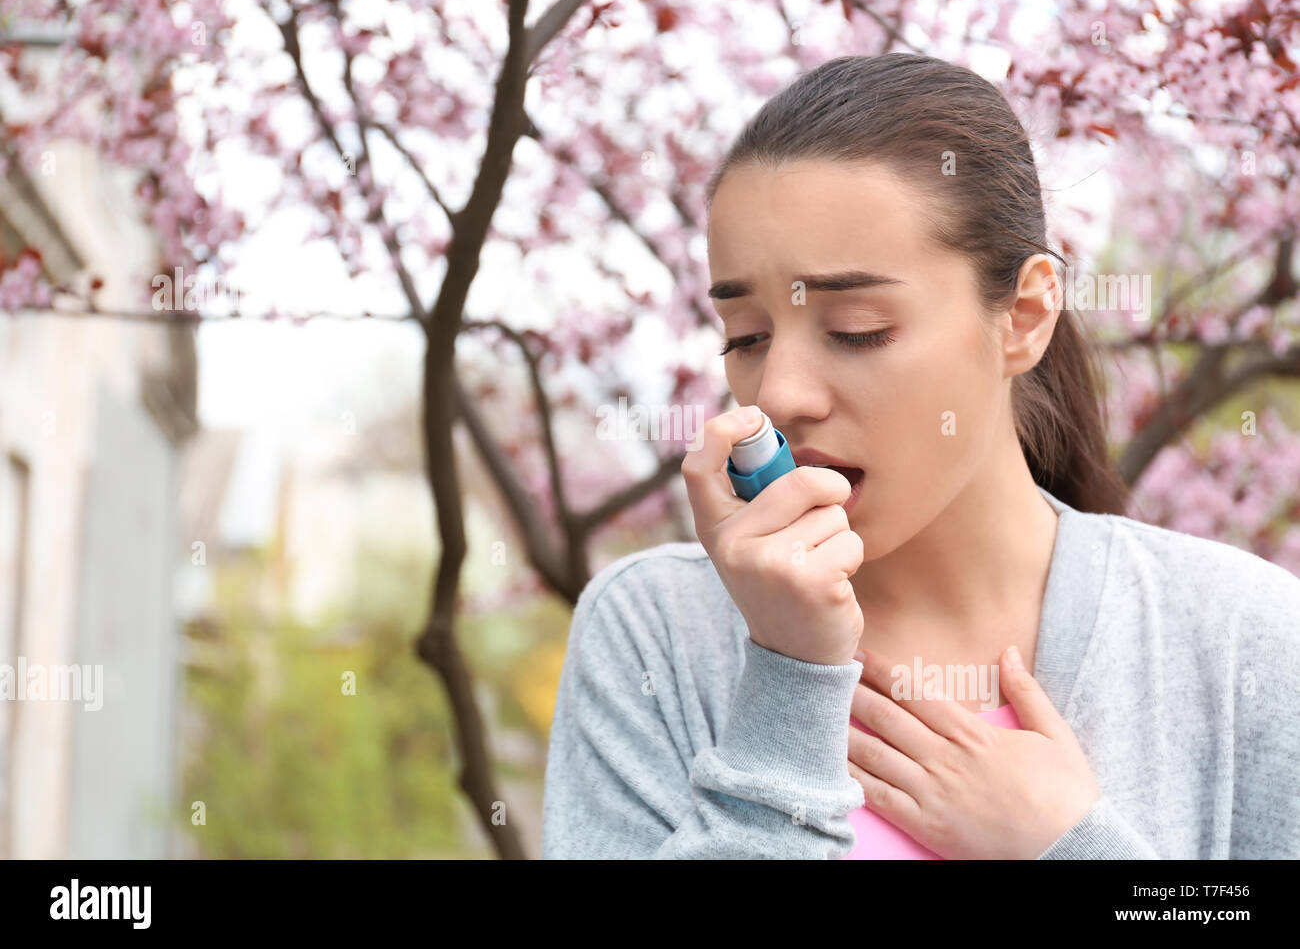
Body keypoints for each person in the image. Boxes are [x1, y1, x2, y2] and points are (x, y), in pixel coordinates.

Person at [540, 53, 1300, 859]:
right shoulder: (655, 631)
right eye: (747, 336)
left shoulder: (1240, 635)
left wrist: (1073, 848)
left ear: (1026, 316)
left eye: (857, 329)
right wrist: (788, 681)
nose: (782, 391)